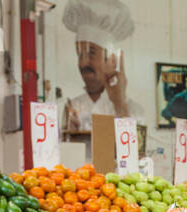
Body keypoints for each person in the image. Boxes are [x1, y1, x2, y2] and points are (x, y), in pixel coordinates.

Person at [61, 0, 144, 134]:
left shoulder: (134, 110)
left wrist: (119, 104)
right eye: (79, 54)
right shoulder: (72, 107)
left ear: (111, 60)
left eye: (91, 53)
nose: (83, 63)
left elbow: (136, 152)